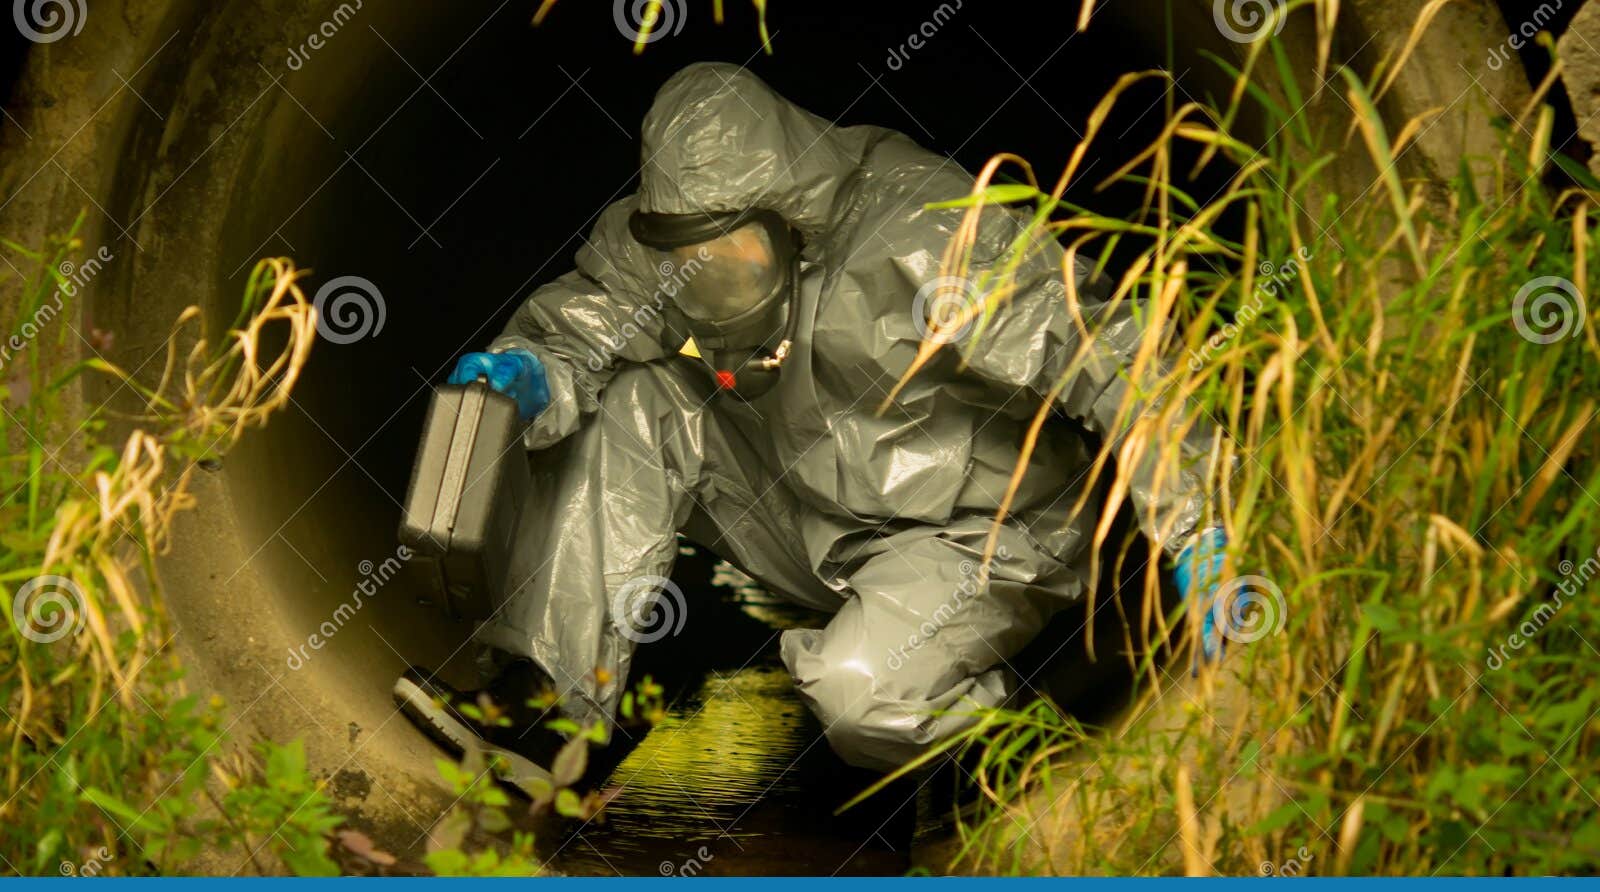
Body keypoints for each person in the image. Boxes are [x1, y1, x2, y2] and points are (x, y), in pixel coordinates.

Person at [394, 62, 1227, 779]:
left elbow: (1108, 353)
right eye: (690, 262)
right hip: (810, 508)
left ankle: (1015, 750)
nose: (712, 282)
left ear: (793, 215)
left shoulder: (926, 231)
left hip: (980, 528)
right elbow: (590, 321)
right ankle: (549, 712)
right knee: (632, 396)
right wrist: (533, 371)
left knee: (863, 699)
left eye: (736, 255)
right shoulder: (667, 243)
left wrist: (1200, 524)